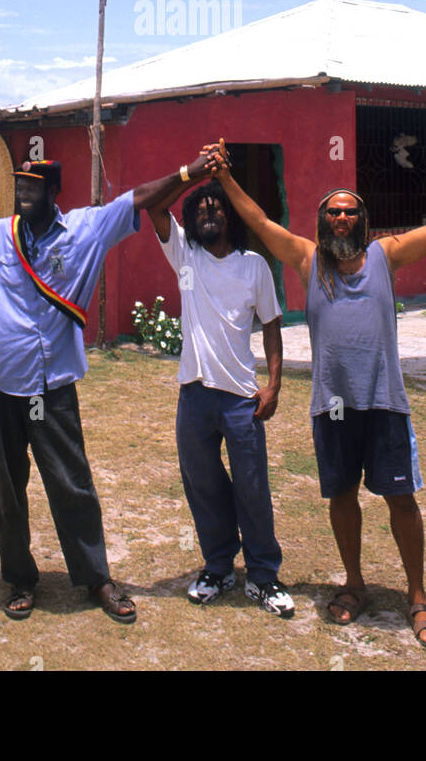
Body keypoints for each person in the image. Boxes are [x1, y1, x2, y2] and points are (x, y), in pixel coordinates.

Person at [205, 139, 426, 647]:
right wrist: (225, 179)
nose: (342, 219)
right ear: (322, 220)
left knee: (400, 499)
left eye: (350, 212)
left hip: (384, 400)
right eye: (333, 213)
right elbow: (261, 223)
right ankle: (354, 583)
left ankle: (417, 596)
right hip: (332, 406)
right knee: (342, 496)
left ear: (362, 220)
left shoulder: (384, 255)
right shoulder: (307, 258)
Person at [0, 152, 217, 623]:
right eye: (19, 184)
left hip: (51, 389)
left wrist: (190, 173)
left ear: (52, 192)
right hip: (0, 385)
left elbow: (142, 196)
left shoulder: (87, 229)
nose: (22, 192)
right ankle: (21, 579)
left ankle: (96, 578)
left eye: (31, 186)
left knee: (72, 485)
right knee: (6, 488)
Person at [148, 171, 293, 616]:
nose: (209, 215)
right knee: (202, 483)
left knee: (252, 487)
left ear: (230, 217)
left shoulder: (254, 266)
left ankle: (264, 576)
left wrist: (273, 384)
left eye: (216, 209)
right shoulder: (185, 256)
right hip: (194, 396)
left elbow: (271, 327)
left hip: (241, 399)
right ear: (191, 221)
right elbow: (154, 207)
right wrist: (192, 173)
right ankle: (218, 566)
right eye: (200, 210)